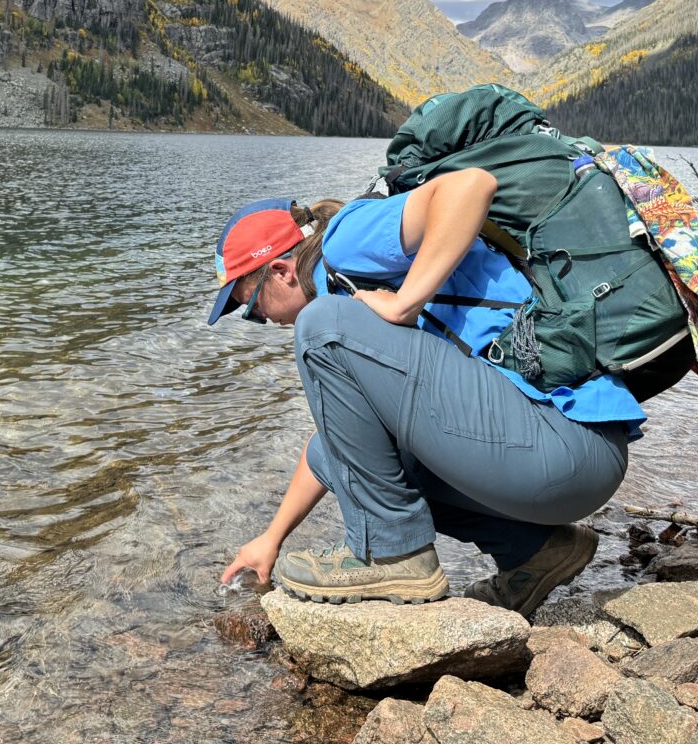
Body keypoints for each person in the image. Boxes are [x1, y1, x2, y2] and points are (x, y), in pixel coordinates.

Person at [209, 169, 646, 614]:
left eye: (252, 308)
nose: (264, 321)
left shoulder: (343, 241)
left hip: (561, 444)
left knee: (321, 324)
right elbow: (339, 449)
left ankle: (391, 555)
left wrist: (405, 303)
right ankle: (536, 551)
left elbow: (471, 186)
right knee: (334, 453)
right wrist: (272, 538)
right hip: (570, 460)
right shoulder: (343, 285)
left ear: (280, 270)